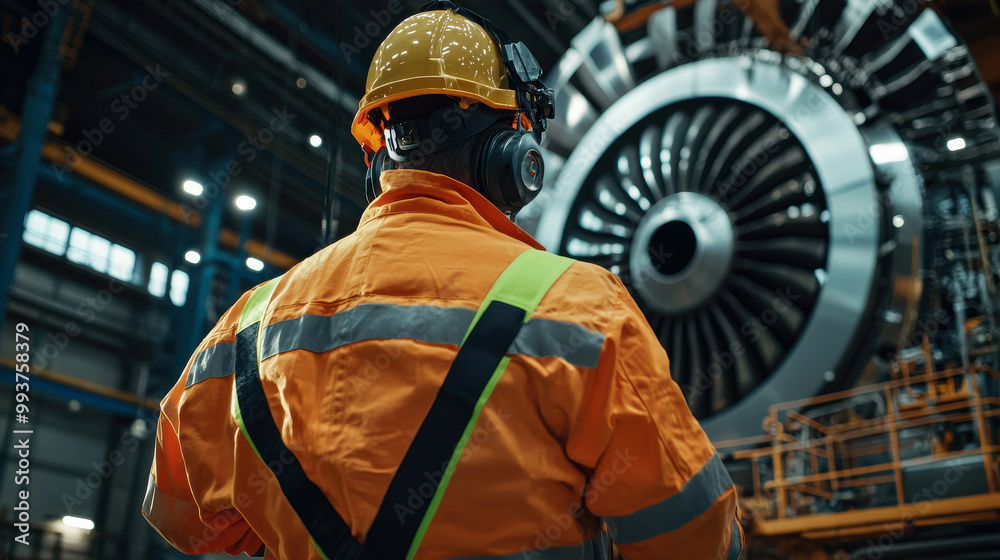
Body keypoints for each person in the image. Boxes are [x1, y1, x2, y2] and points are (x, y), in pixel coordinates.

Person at [142, 3, 743, 559]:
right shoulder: (579, 307)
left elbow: (177, 515)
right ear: (517, 156)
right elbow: (697, 532)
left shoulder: (246, 327)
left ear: (378, 155)